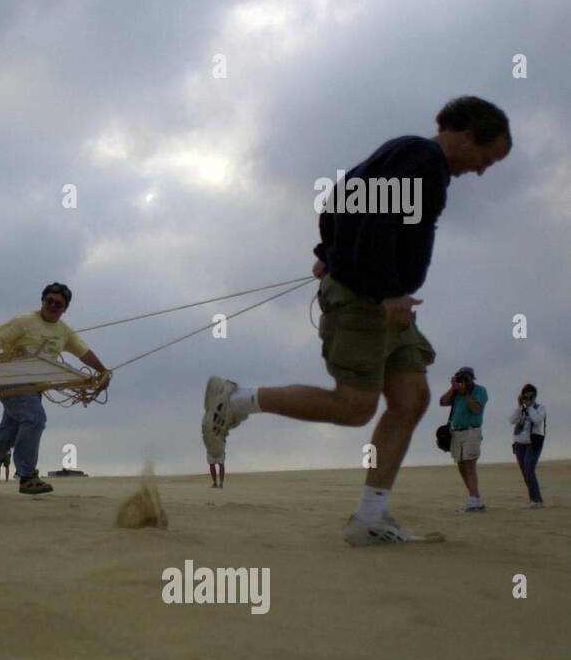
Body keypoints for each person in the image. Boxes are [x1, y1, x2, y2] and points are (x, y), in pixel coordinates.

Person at [201, 96, 512, 545]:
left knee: (411, 398)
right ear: (467, 136)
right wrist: (386, 289)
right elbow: (377, 217)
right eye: (487, 158)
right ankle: (236, 400)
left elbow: (339, 199)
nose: (482, 170)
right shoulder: (424, 160)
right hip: (367, 302)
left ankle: (370, 518)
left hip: (384, 304)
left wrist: (327, 253)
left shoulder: (405, 153)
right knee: (354, 406)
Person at [0, 282, 109, 496]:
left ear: (65, 309)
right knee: (35, 419)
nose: (53, 305)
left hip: (35, 388)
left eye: (59, 304)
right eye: (49, 301)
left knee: (8, 435)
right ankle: (27, 476)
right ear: (42, 301)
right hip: (13, 380)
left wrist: (103, 371)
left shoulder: (65, 332)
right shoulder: (24, 321)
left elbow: (84, 353)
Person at [441, 366, 488, 512]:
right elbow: (443, 402)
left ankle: (474, 501)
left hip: (471, 431)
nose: (464, 380)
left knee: (469, 465)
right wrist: (453, 387)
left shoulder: (480, 390)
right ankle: (475, 500)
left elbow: (476, 409)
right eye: (461, 377)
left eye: (466, 378)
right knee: (461, 466)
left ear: (472, 378)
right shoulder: (456, 392)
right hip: (457, 432)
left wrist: (465, 393)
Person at [510, 383, 545, 509]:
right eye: (525, 396)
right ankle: (533, 499)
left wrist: (530, 407)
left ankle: (537, 500)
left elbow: (537, 420)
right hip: (519, 444)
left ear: (534, 397)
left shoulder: (540, 408)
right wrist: (520, 407)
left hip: (533, 443)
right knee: (525, 472)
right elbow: (512, 420)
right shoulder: (522, 409)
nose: (528, 399)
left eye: (530, 397)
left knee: (529, 469)